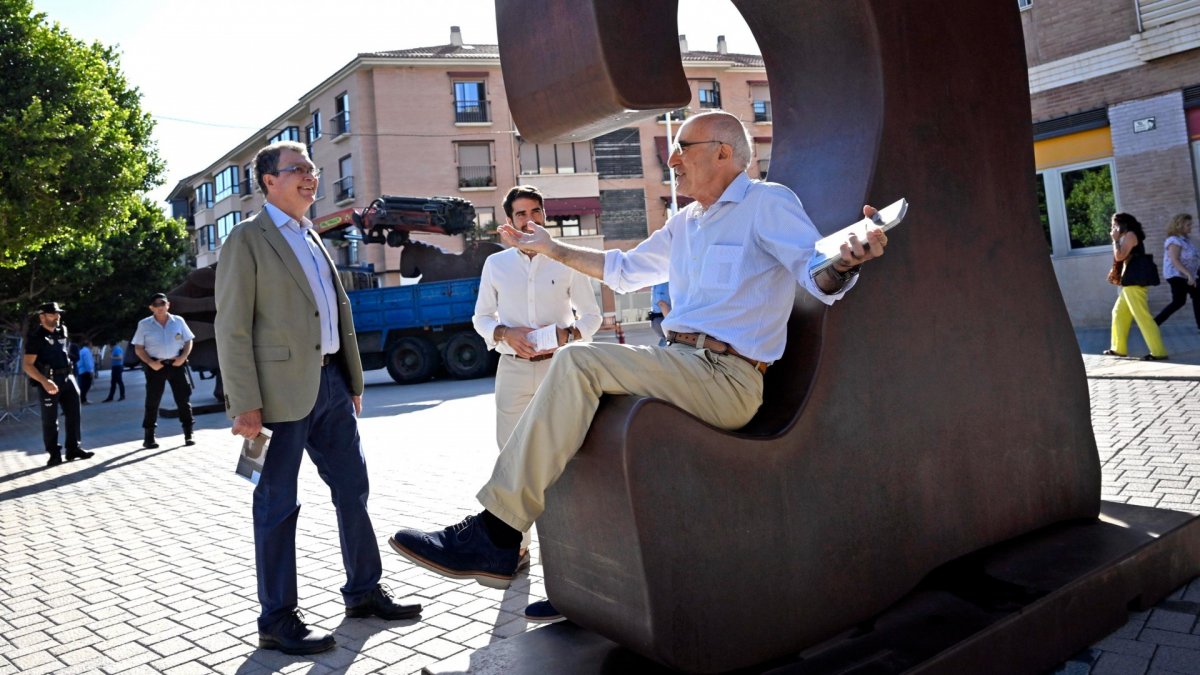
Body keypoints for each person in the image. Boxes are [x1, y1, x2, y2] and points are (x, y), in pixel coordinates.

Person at [388, 111, 889, 607]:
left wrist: (845, 261)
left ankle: (495, 533)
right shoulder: (685, 223)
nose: (671, 159)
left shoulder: (766, 203)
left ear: (724, 152)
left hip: (728, 378)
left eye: (683, 147)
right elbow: (623, 271)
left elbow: (814, 272)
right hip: (679, 364)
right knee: (577, 409)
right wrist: (549, 247)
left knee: (579, 363)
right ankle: (585, 577)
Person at [215, 140, 421, 656]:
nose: (311, 176)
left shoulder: (311, 233)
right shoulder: (248, 239)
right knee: (277, 503)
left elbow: (332, 311)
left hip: (330, 387)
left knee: (354, 488)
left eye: (312, 168)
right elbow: (233, 327)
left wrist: (352, 379)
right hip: (276, 398)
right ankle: (278, 619)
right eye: (298, 169)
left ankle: (363, 591)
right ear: (269, 180)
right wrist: (245, 403)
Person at [472, 184, 603, 567]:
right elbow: (481, 316)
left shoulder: (565, 260)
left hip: (559, 371)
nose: (529, 221)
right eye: (521, 215)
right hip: (511, 372)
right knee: (511, 461)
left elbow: (592, 316)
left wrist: (571, 334)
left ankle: (569, 550)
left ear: (545, 216)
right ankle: (517, 548)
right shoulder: (496, 265)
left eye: (535, 213)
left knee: (564, 458)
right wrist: (502, 333)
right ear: (509, 221)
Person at [21, 302, 94, 466]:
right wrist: (44, 381)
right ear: (42, 317)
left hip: (68, 378)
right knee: (50, 420)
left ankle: (73, 448)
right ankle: (54, 454)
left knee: (74, 414)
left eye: (58, 314)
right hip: (49, 381)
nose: (57, 317)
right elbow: (27, 365)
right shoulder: (36, 338)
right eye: (52, 314)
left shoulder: (63, 331)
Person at [132, 293, 196, 448]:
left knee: (183, 400)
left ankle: (188, 434)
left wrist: (182, 358)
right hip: (156, 366)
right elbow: (138, 348)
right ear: (151, 308)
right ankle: (149, 438)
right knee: (152, 402)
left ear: (168, 305)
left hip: (176, 364)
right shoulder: (144, 324)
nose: (160, 307)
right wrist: (150, 362)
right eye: (156, 305)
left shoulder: (178, 321)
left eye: (163, 303)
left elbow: (188, 340)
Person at [1104, 212, 1168, 361]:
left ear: (1122, 224)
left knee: (1142, 317)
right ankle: (1118, 349)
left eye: (1114, 225)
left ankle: (1158, 352)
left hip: (1134, 283)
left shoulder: (1131, 235)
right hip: (1129, 283)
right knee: (1118, 313)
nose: (1112, 228)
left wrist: (1115, 240)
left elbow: (1120, 256)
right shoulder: (1127, 236)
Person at [1153, 213, 1200, 332]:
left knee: (1196, 297)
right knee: (1179, 301)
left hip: (1189, 275)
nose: (1191, 227)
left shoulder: (1186, 240)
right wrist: (1189, 275)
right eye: (1188, 225)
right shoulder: (1173, 240)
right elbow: (1175, 260)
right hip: (1177, 275)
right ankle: (1153, 324)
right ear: (1179, 225)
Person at [647, 280, 671, 346]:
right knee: (670, 341)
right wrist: (671, 324)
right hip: (662, 317)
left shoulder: (657, 280)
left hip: (658, 318)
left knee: (666, 341)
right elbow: (662, 303)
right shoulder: (663, 282)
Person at [76, 339, 95, 404]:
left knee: (83, 386)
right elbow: (88, 362)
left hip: (81, 371)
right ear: (89, 344)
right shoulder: (86, 352)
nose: (92, 345)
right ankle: (82, 400)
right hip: (85, 371)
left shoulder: (82, 351)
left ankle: (83, 399)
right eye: (91, 344)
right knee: (86, 386)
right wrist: (91, 371)